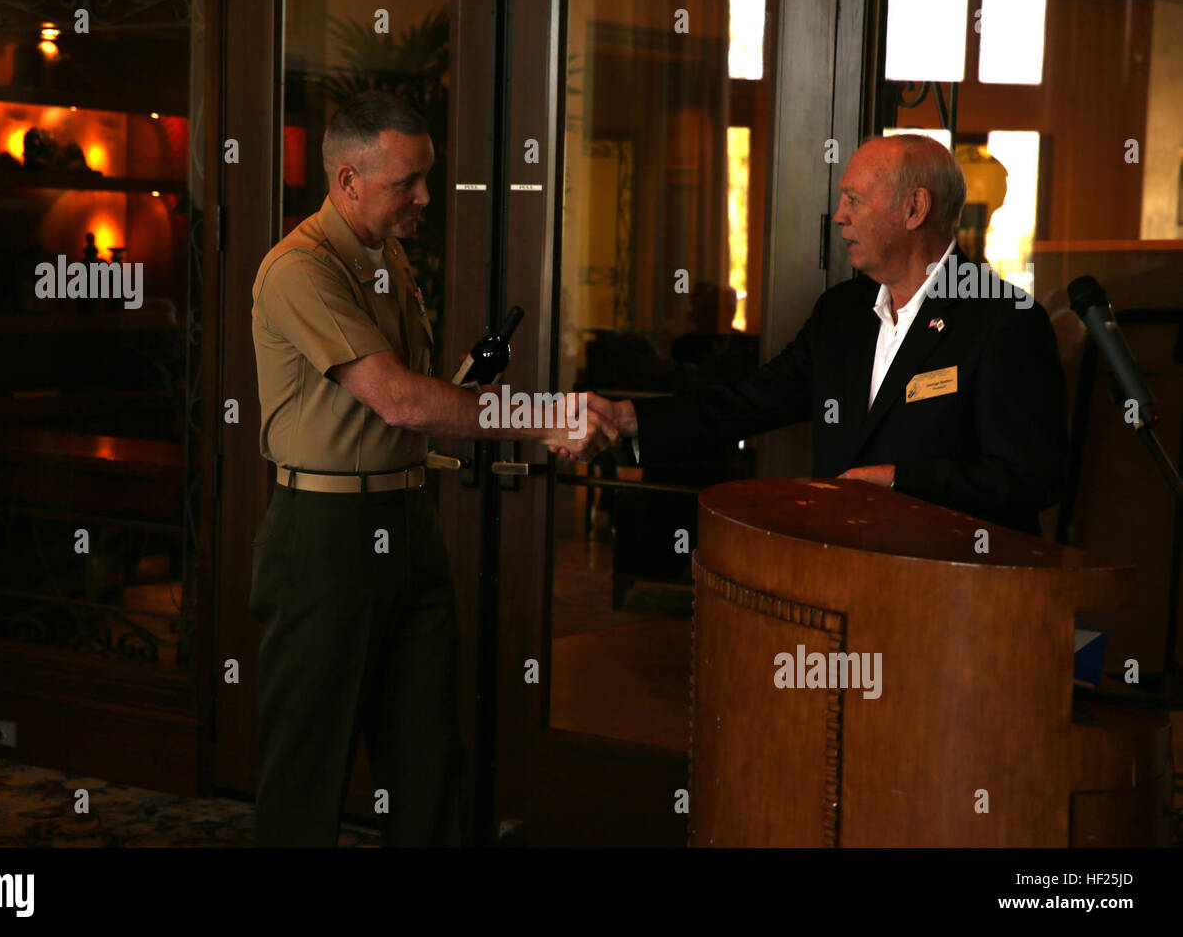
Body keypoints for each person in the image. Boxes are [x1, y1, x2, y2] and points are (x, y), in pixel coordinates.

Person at [249, 90, 616, 847]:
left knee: (426, 754)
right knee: (307, 760)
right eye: (405, 183)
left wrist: (468, 392)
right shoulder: (296, 269)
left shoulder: (389, 258)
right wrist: (548, 416)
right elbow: (398, 402)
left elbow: (416, 401)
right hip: (325, 534)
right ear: (347, 181)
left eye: (427, 177)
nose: (424, 197)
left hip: (406, 520)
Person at [571, 134, 1068, 536]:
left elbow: (1032, 477)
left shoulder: (1003, 319)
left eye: (855, 199)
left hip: (954, 600)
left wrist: (899, 482)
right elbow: (749, 402)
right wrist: (631, 418)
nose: (840, 216)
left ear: (915, 208)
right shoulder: (842, 314)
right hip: (841, 580)